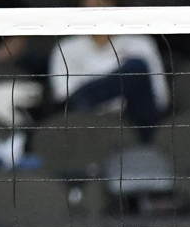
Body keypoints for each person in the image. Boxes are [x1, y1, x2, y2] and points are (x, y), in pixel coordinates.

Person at [47, 0, 168, 130]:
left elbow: (161, 97)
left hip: (131, 122)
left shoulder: (141, 44)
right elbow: (64, 98)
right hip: (82, 124)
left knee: (136, 67)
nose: (99, 5)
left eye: (104, 2)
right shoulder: (66, 48)